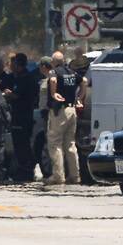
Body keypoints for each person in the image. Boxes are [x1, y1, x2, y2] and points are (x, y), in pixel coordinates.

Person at [43, 51, 81, 187]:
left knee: (55, 143)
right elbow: (84, 81)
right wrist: (80, 98)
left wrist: (54, 94)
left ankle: (58, 176)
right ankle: (75, 175)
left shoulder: (54, 72)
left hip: (59, 111)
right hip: (72, 111)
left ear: (53, 62)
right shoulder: (71, 72)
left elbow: (52, 80)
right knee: (70, 144)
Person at [1, 53, 38, 182]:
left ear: (18, 64)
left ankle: (26, 171)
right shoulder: (15, 77)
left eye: (14, 63)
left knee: (23, 145)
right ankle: (22, 170)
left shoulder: (26, 78)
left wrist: (9, 94)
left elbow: (19, 95)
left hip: (23, 116)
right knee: (18, 144)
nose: (12, 65)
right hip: (17, 116)